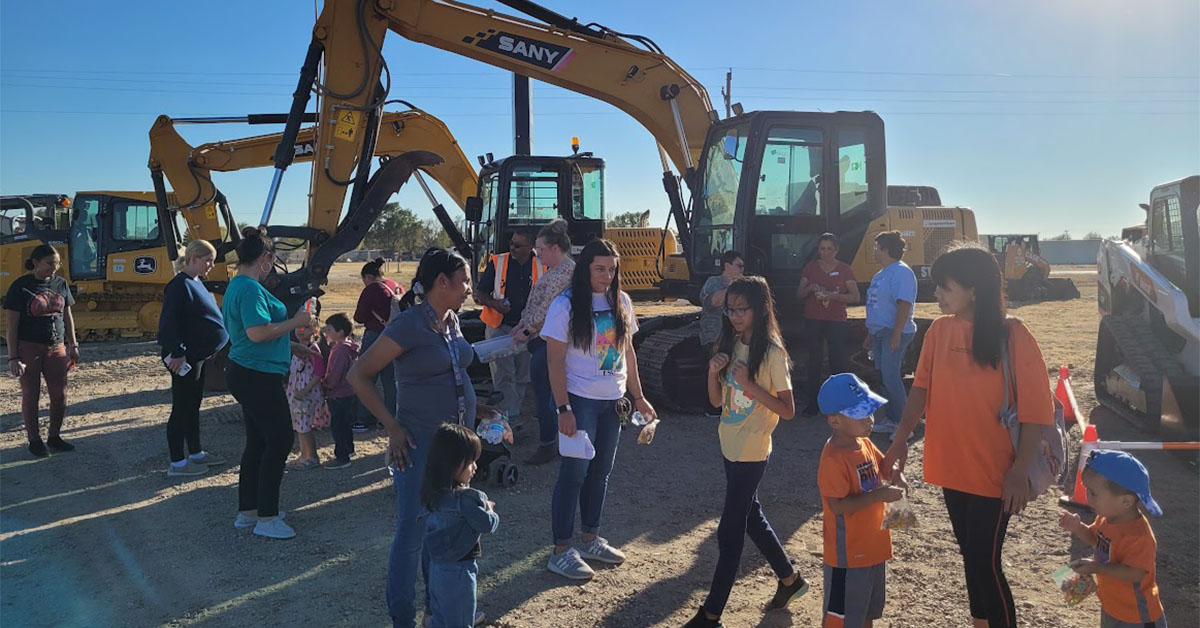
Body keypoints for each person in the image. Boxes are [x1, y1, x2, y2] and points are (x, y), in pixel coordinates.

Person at [881, 242, 1055, 628]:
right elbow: (921, 390)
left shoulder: (1015, 335)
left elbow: (1036, 411)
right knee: (970, 556)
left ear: (973, 289)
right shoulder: (939, 331)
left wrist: (1020, 470)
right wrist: (899, 440)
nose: (937, 294)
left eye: (945, 287)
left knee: (984, 561)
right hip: (952, 467)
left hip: (996, 472)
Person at [347, 248, 479, 628]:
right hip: (419, 444)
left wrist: (476, 407)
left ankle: (435, 611)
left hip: (451, 447)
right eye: (465, 280)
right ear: (442, 282)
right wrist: (392, 425)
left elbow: (454, 371)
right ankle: (402, 618)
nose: (469, 288)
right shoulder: (409, 325)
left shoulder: (451, 321)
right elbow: (359, 375)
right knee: (412, 534)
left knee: (441, 530)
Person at [683, 276, 806, 628]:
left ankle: (711, 614)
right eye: (730, 309)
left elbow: (788, 410)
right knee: (752, 516)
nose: (735, 316)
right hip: (729, 444)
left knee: (729, 533)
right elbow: (716, 400)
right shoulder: (730, 343)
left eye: (741, 309)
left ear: (760, 309)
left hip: (752, 450)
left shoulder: (771, 354)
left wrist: (752, 387)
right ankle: (790, 579)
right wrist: (712, 373)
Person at [542, 238, 657, 580]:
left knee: (600, 474)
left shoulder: (621, 300)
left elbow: (628, 353)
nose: (607, 275)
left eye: (611, 269)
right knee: (573, 474)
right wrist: (563, 407)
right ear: (585, 268)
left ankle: (590, 537)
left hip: (613, 402)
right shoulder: (565, 305)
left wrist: (638, 396)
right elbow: (554, 361)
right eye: (599, 269)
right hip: (579, 401)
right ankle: (561, 550)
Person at [222, 227, 317, 540]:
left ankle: (250, 511)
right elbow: (257, 333)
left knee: (259, 442)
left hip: (249, 369)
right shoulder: (249, 289)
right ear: (265, 258)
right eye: (273, 260)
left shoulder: (239, 285)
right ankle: (267, 516)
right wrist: (298, 323)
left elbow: (250, 335)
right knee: (279, 439)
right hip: (256, 374)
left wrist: (291, 346)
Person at [817, 373, 906, 628]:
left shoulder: (864, 443)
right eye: (861, 414)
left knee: (867, 613)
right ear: (834, 421)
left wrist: (897, 469)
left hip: (873, 549)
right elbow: (837, 506)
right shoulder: (834, 458)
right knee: (843, 620)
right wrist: (879, 495)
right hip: (847, 556)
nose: (870, 420)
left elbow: (884, 469)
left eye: (870, 412)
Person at [1059, 450, 1167, 628]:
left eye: (1093, 493)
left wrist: (1097, 567)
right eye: (1087, 491)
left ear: (1126, 501)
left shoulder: (1139, 536)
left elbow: (1134, 573)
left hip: (1138, 616)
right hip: (1112, 605)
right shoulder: (1106, 518)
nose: (1087, 498)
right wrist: (1077, 528)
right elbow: (1096, 539)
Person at [159, 239, 230, 476]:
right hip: (185, 358)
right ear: (193, 259)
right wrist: (176, 351)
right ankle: (177, 463)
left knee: (193, 404)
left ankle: (196, 453)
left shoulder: (196, 282)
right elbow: (168, 322)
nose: (211, 264)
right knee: (182, 407)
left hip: (199, 355)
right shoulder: (179, 285)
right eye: (207, 260)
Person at [421, 423, 500, 628]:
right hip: (460, 571)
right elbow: (487, 524)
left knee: (441, 618)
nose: (475, 467)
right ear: (453, 463)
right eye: (471, 461)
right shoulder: (466, 501)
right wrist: (489, 509)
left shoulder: (433, 496)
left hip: (437, 569)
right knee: (462, 620)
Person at [509, 219, 574, 466]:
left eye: (541, 249)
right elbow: (535, 304)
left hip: (549, 343)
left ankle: (549, 444)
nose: (537, 254)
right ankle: (553, 442)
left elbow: (547, 309)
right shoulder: (555, 272)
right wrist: (522, 325)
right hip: (542, 340)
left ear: (555, 248)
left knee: (547, 396)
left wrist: (526, 330)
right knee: (545, 395)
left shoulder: (563, 275)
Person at [5, 244, 78, 458]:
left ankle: (54, 437)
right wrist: (13, 357)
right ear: (35, 263)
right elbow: (12, 326)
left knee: (60, 394)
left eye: (56, 264)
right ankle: (34, 441)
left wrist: (73, 343)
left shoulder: (61, 284)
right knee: (31, 394)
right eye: (49, 264)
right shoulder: (20, 287)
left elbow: (68, 316)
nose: (54, 268)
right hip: (29, 347)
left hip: (56, 347)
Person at [475, 230, 542, 420]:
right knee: (504, 375)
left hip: (528, 330)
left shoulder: (542, 265)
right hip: (500, 327)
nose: (512, 248)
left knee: (522, 375)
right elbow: (481, 293)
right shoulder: (498, 262)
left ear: (531, 247)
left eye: (518, 245)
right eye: (511, 243)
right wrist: (495, 304)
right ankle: (509, 417)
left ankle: (511, 412)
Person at [797, 233, 859, 417]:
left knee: (837, 361)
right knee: (814, 361)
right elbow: (799, 294)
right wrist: (811, 288)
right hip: (814, 318)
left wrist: (834, 296)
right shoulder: (811, 267)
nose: (825, 253)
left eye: (829, 249)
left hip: (836, 319)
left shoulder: (845, 269)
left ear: (836, 250)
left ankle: (840, 403)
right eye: (822, 249)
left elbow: (855, 296)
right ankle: (813, 403)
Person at [863, 231, 917, 433]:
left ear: (886, 249)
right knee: (884, 377)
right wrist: (870, 333)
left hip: (893, 332)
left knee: (891, 377)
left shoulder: (901, 272)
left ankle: (905, 425)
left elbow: (904, 303)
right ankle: (892, 419)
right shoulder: (881, 273)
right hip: (880, 332)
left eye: (877, 247)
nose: (874, 252)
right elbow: (876, 306)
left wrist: (896, 333)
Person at [352, 257, 405, 432]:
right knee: (391, 381)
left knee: (365, 377)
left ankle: (363, 419)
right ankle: (389, 419)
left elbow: (358, 317)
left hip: (375, 335)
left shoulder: (372, 289)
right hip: (395, 336)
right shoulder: (395, 285)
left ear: (367, 276)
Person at [699, 251, 745, 418]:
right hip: (714, 335)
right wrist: (735, 288)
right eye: (739, 266)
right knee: (714, 371)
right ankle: (711, 407)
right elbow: (713, 301)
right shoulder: (714, 282)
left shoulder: (741, 284)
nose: (742, 269)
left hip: (733, 335)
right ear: (727, 266)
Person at [284, 320, 329, 470]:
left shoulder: (313, 349)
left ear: (315, 331)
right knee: (298, 426)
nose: (301, 330)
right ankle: (304, 454)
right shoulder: (297, 349)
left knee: (304, 426)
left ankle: (312, 456)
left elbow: (318, 372)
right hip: (296, 392)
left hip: (307, 394)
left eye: (306, 327)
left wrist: (305, 390)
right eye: (298, 327)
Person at [322, 313, 360, 470]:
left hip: (338, 393)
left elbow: (335, 375)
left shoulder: (339, 351)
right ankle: (349, 450)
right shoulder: (350, 347)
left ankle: (342, 457)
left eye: (330, 329)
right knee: (346, 424)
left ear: (340, 332)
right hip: (349, 392)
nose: (326, 333)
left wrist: (325, 384)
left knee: (338, 426)